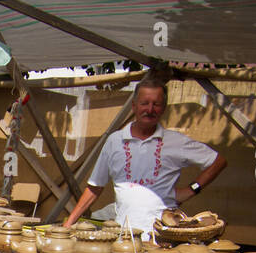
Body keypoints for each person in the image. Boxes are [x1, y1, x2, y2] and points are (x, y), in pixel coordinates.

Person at [64, 75, 227, 233]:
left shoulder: (176, 142)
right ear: (134, 106)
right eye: (144, 103)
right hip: (125, 238)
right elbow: (95, 187)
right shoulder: (115, 141)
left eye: (156, 104)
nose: (150, 109)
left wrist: (191, 189)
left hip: (164, 237)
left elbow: (218, 161)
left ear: (163, 108)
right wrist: (69, 224)